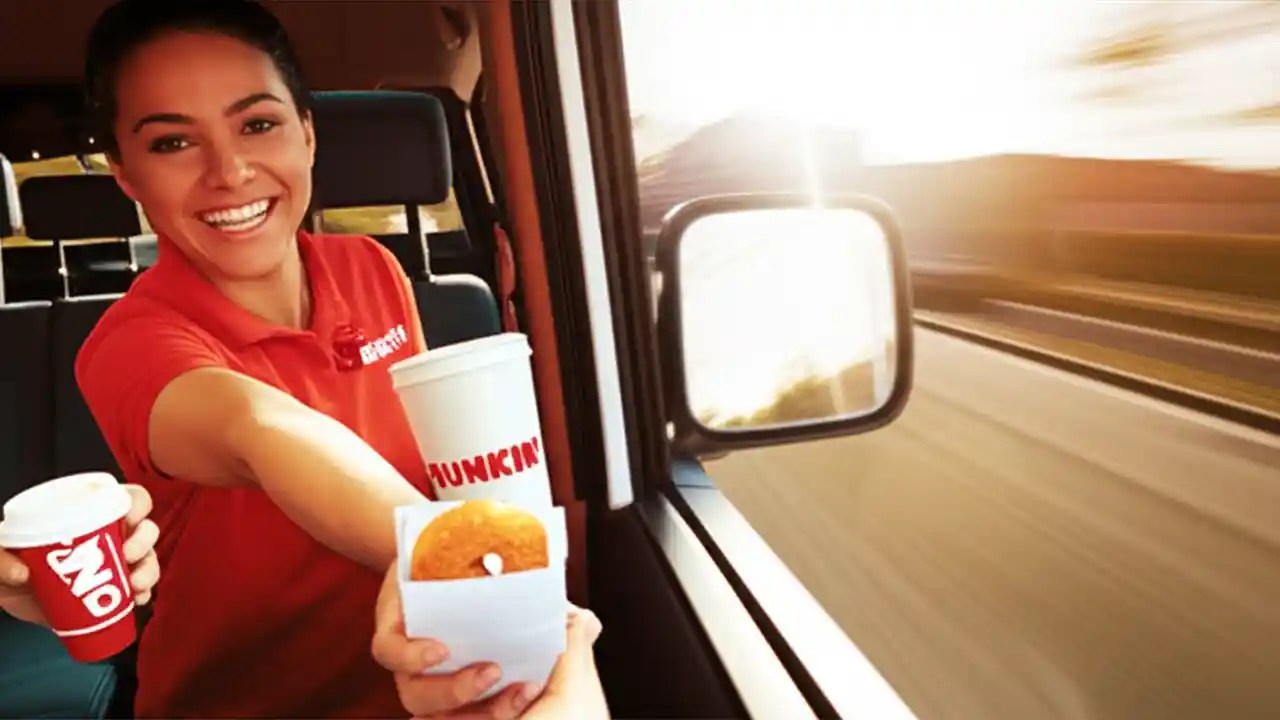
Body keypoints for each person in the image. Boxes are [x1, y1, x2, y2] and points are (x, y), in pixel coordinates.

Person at [63, 0, 605, 717]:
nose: (229, 171)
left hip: (430, 690)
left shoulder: (371, 268)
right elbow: (259, 428)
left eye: (258, 124)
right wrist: (467, 571)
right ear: (124, 173)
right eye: (172, 143)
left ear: (309, 137)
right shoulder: (127, 343)